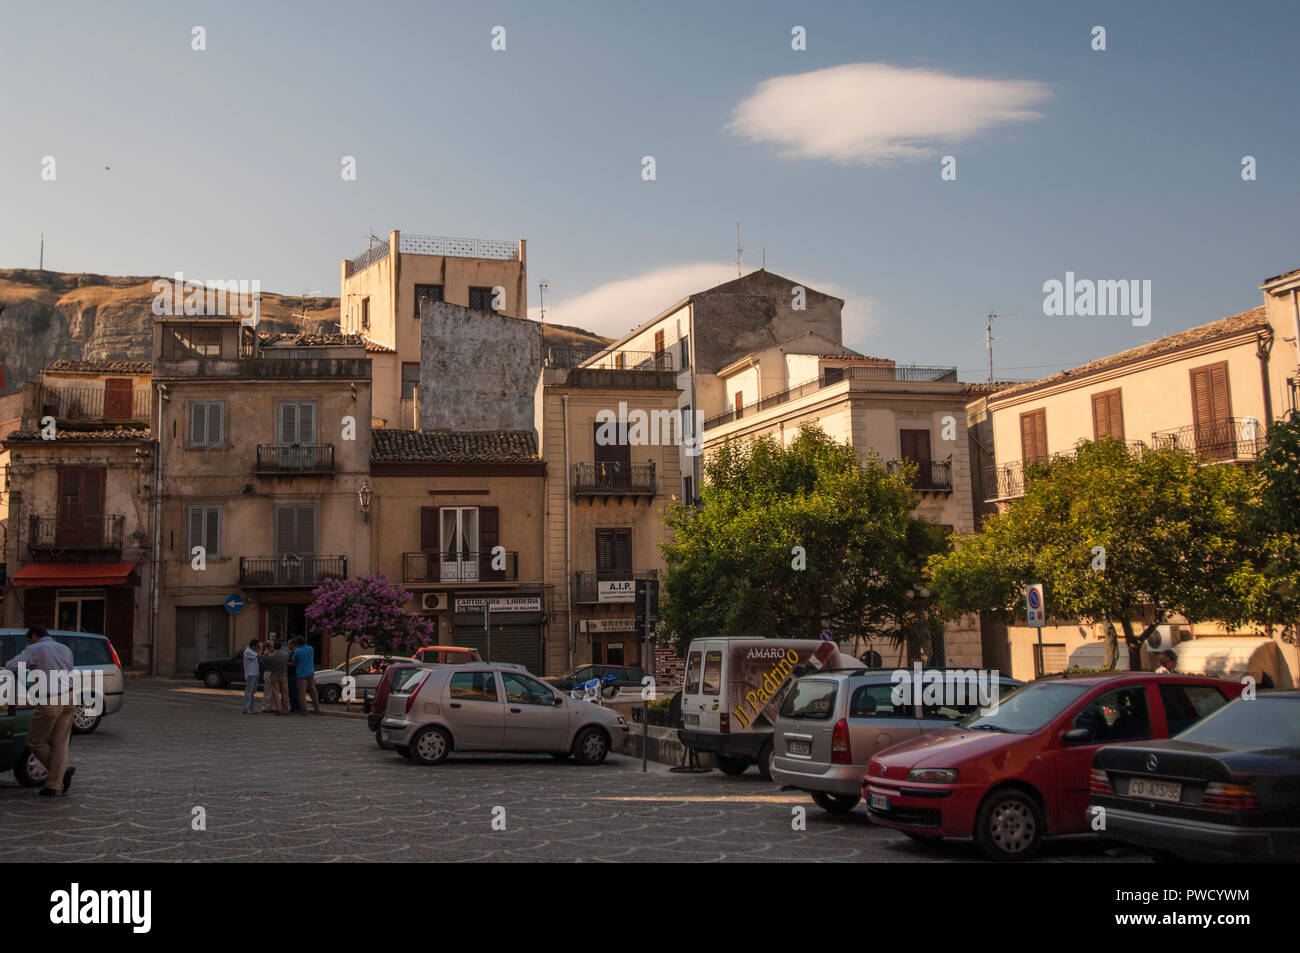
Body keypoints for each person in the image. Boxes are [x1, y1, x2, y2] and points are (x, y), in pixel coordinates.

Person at [4, 626, 76, 797]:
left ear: (34, 636)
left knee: (35, 740)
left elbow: (11, 665)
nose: (29, 642)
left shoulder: (34, 649)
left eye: (29, 639)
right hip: (71, 697)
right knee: (60, 743)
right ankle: (53, 785)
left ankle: (62, 772)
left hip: (50, 700)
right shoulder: (64, 648)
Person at [291, 638, 320, 715]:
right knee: (313, 690)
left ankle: (304, 710)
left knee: (302, 692)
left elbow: (294, 663)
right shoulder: (310, 648)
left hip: (301, 673)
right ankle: (317, 707)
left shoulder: (297, 651)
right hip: (310, 672)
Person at [262, 640, 290, 715]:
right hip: (283, 675)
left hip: (274, 675)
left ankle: (278, 708)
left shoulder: (271, 656)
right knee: (285, 693)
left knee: (276, 693)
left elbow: (267, 664)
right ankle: (286, 709)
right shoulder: (286, 655)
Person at [241, 638, 261, 713]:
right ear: (253, 646)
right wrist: (261, 647)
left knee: (252, 692)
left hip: (254, 673)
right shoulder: (248, 651)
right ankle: (246, 708)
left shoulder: (251, 651)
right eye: (257, 646)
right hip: (250, 674)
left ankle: (251, 708)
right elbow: (259, 655)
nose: (257, 648)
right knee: (249, 691)